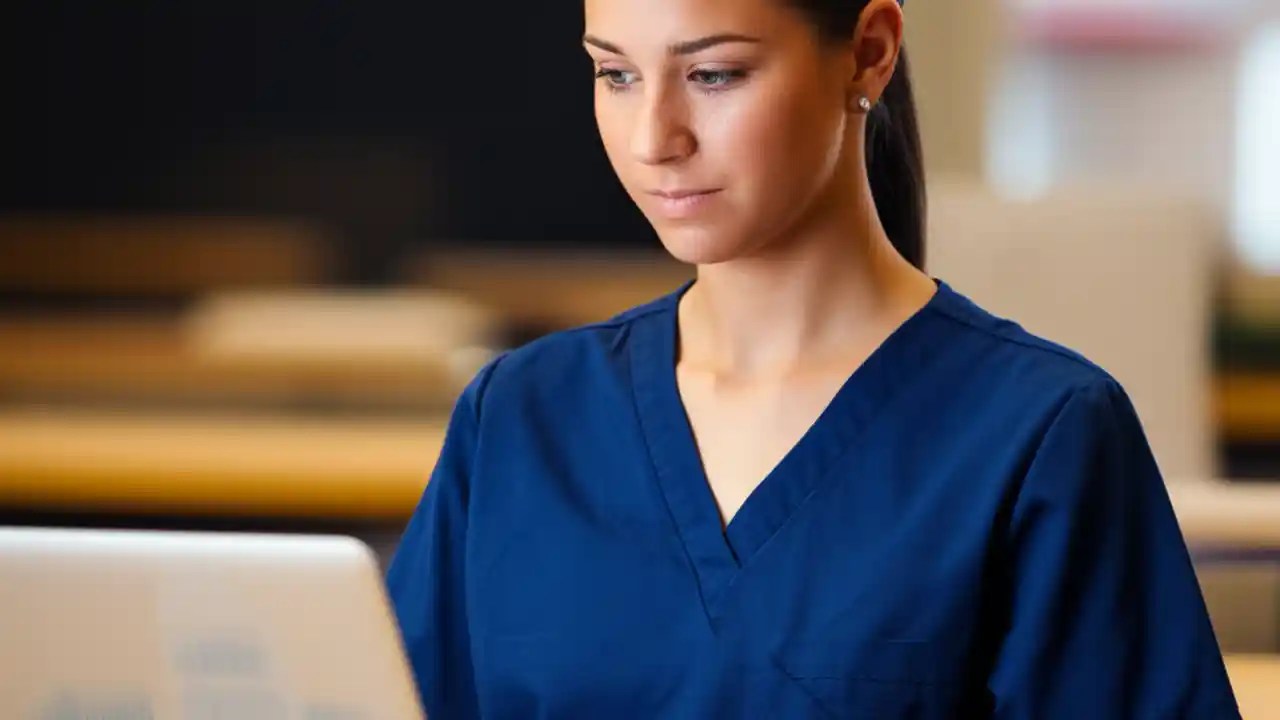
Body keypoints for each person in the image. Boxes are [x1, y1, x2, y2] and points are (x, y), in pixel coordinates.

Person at [386, 0, 1241, 716]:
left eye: (713, 74)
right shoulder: (521, 415)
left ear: (868, 54)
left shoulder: (1041, 434)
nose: (655, 138)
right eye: (616, 74)